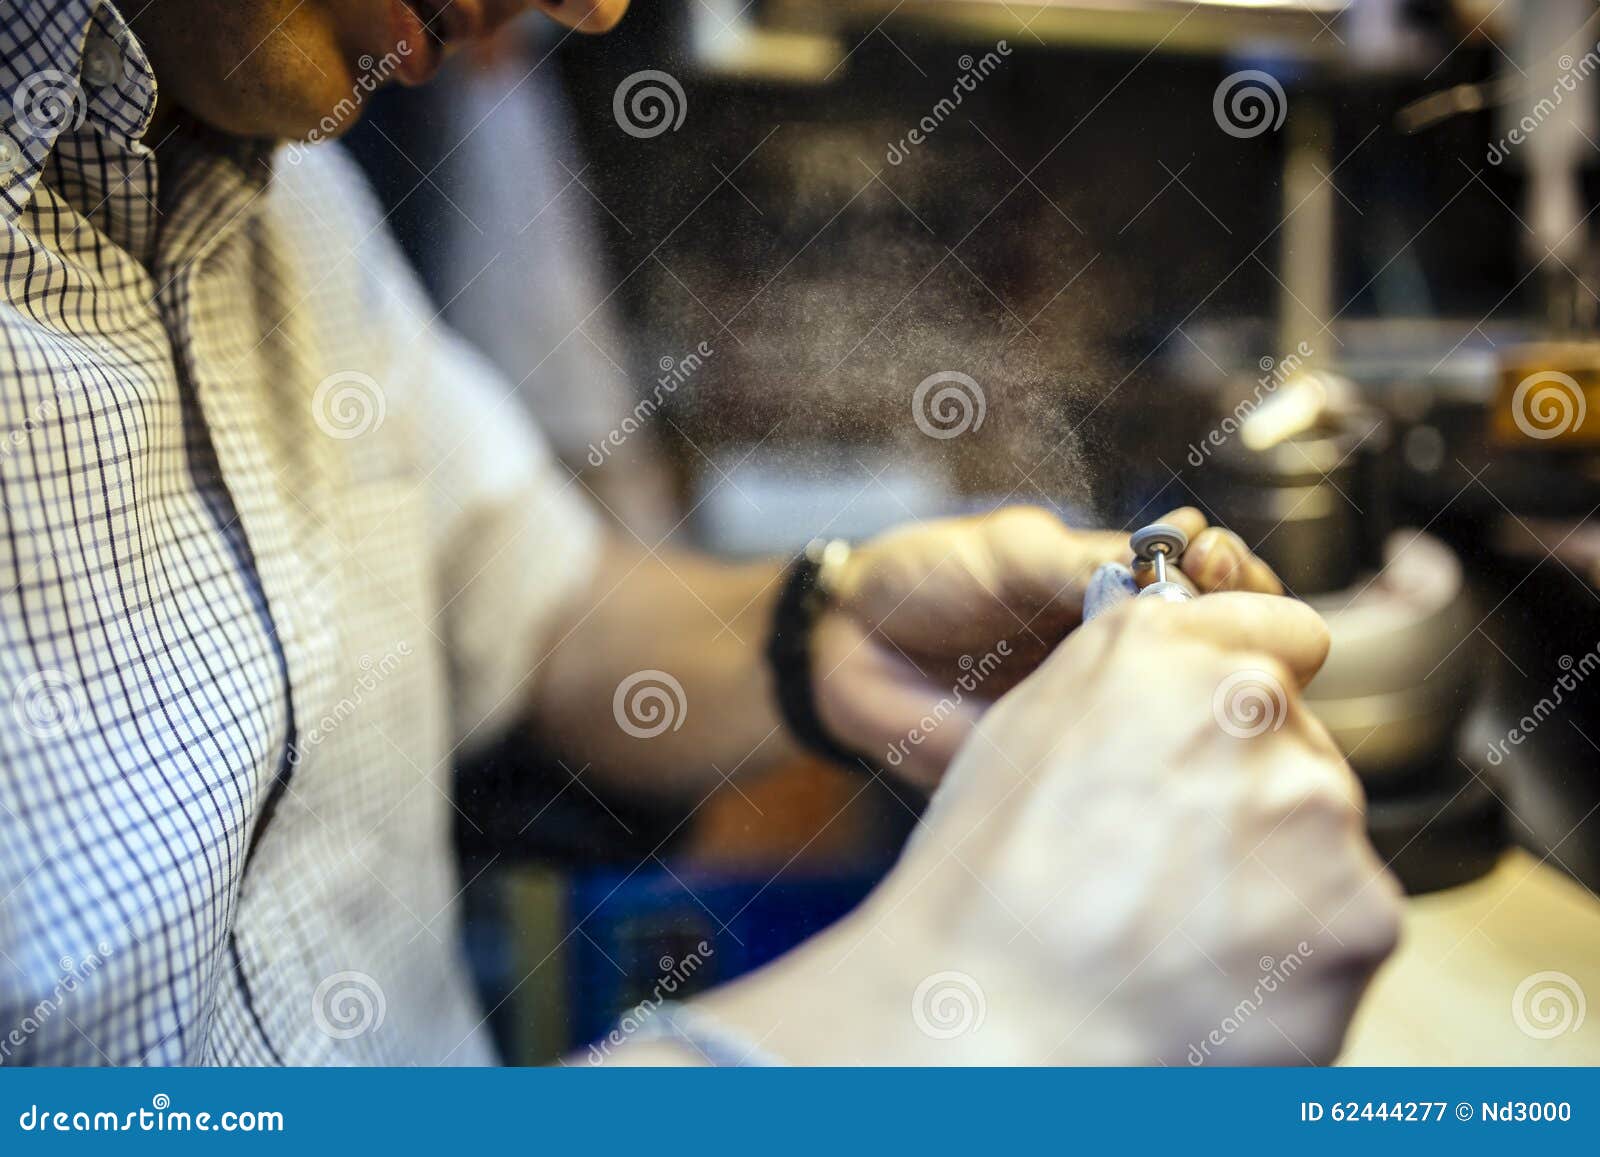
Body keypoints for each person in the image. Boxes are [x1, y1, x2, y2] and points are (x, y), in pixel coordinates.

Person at [0, 0, 1401, 1066]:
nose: (601, 9)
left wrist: (823, 627)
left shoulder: (298, 203)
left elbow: (541, 610)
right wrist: (966, 1000)